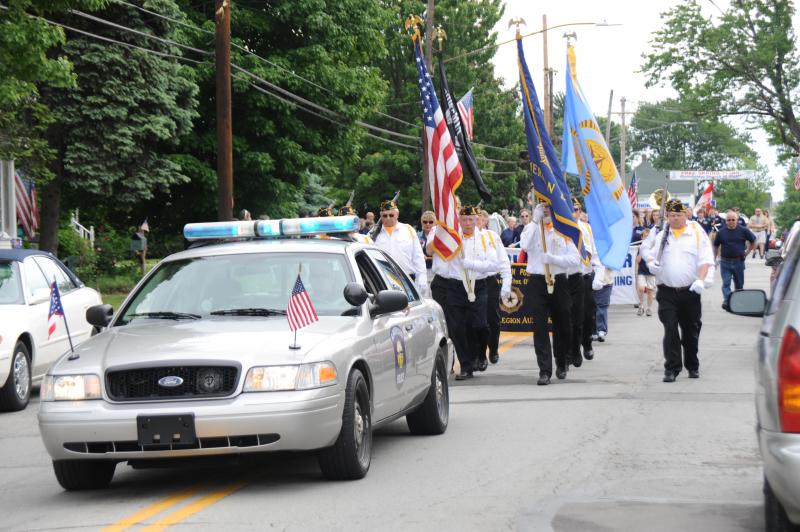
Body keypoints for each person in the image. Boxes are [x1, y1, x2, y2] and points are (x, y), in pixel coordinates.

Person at [642, 198, 715, 382]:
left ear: (685, 215)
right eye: (671, 215)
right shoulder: (660, 233)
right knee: (670, 328)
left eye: (678, 215)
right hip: (666, 292)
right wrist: (651, 264)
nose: (674, 218)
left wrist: (700, 280)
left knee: (691, 332)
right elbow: (647, 251)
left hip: (690, 291)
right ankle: (672, 367)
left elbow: (705, 258)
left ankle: (692, 365)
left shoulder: (696, 232)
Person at [429, 205, 499, 380]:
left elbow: (493, 264)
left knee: (480, 324)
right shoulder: (452, 238)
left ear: (477, 220)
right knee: (457, 328)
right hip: (456, 286)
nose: (468, 223)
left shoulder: (484, 238)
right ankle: (466, 366)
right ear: (459, 220)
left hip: (478, 284)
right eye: (464, 220)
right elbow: (429, 250)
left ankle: (481, 354)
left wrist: (472, 264)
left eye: (471, 219)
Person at [520, 202, 580, 385]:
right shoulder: (532, 229)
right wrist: (534, 220)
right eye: (542, 207)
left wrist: (554, 259)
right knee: (539, 327)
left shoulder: (564, 231)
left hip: (559, 280)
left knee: (563, 325)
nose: (546, 210)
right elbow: (524, 245)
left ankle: (561, 361)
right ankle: (544, 370)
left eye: (549, 207)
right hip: (538, 282)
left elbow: (575, 259)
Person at [476, 210, 512, 369]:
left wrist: (506, 283)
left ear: (485, 220)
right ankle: (480, 354)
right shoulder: (464, 237)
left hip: (490, 281)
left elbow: (503, 261)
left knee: (492, 318)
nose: (476, 221)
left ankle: (494, 348)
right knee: (477, 321)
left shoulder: (492, 236)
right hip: (472, 282)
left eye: (479, 218)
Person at [373, 199, 429, 297]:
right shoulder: (373, 234)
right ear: (380, 216)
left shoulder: (408, 230)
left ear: (397, 215)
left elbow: (418, 256)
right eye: (384, 216)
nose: (388, 218)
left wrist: (422, 276)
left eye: (391, 215)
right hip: (382, 280)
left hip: (406, 278)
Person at [569, 200, 601, 364]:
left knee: (588, 314)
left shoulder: (587, 227)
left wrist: (599, 274)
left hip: (585, 276)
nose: (574, 212)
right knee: (571, 316)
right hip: (569, 277)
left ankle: (587, 343)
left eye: (576, 209)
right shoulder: (562, 226)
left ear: (580, 212)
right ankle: (573, 350)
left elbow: (594, 253)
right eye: (571, 209)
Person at [714, 210, 756, 309]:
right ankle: (727, 301)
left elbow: (753, 241)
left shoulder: (744, 230)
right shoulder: (721, 232)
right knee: (726, 283)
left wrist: (747, 252)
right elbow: (716, 245)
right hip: (725, 262)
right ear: (726, 221)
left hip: (739, 261)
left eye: (733, 219)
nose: (731, 221)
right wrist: (715, 257)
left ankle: (738, 302)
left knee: (739, 284)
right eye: (729, 220)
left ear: (737, 220)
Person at [635, 228, 656, 316]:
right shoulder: (641, 247)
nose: (647, 238)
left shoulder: (654, 248)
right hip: (642, 271)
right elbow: (637, 260)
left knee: (650, 290)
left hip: (651, 272)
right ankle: (641, 305)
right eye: (645, 237)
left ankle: (649, 308)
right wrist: (641, 251)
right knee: (641, 288)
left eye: (648, 237)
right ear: (642, 238)